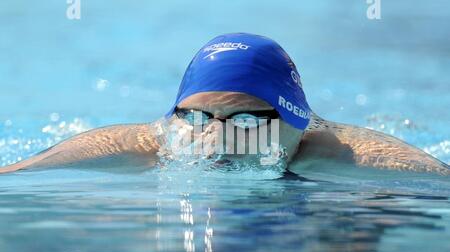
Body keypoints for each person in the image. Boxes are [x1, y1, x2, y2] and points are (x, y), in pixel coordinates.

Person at [1, 33, 449, 177]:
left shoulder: (341, 153)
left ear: (294, 121)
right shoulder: (154, 142)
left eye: (248, 120)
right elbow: (16, 176)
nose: (214, 139)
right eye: (196, 117)